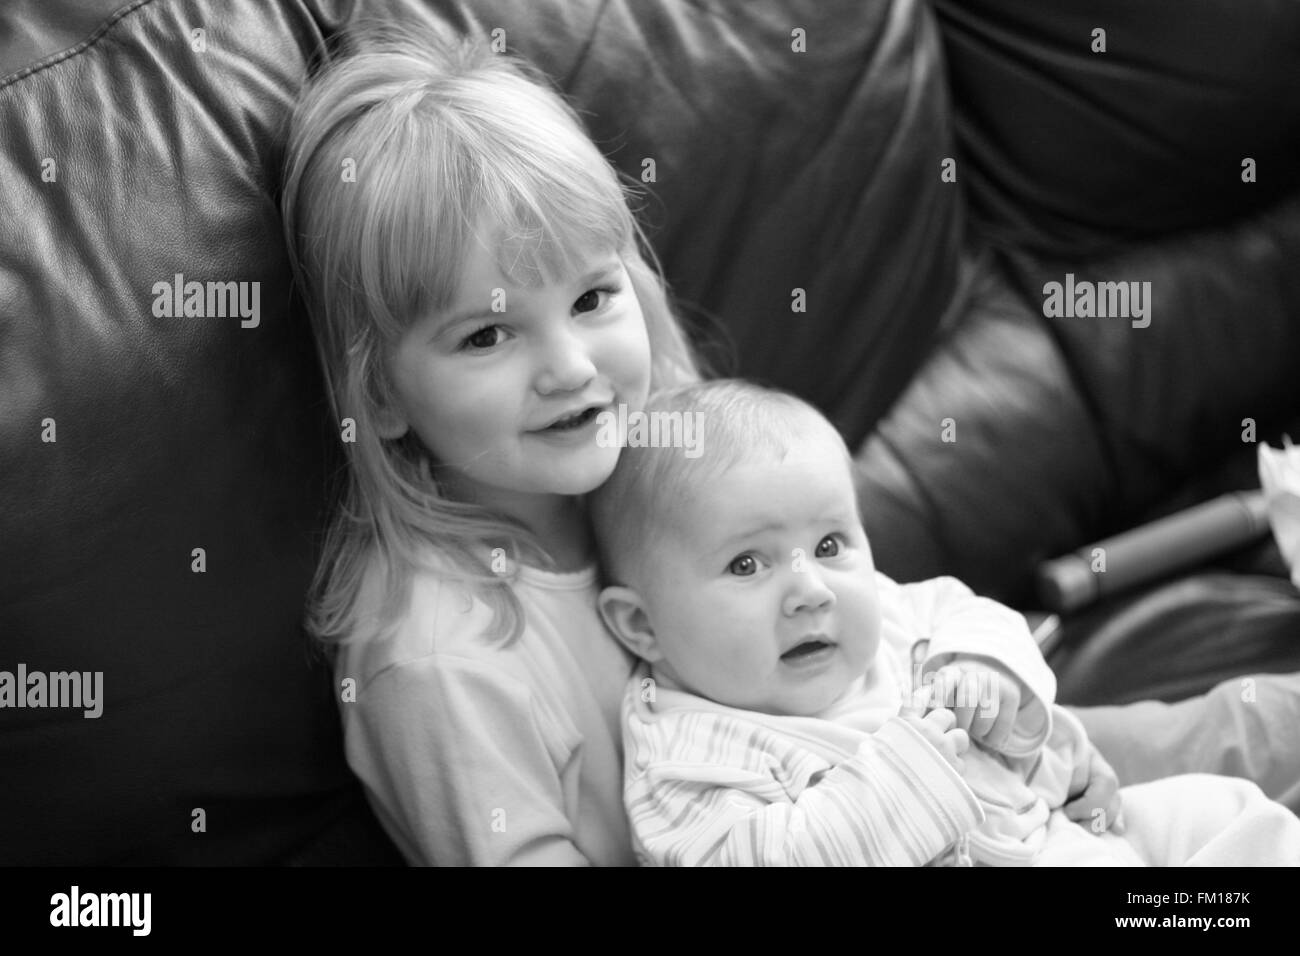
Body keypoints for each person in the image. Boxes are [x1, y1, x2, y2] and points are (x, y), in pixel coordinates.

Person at [279, 24, 701, 865]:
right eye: (487, 336)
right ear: (382, 395)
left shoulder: (678, 475)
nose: (571, 368)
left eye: (592, 299)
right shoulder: (438, 660)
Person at [590, 379, 1300, 865]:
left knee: (1225, 812)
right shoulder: (686, 753)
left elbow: (969, 612)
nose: (810, 589)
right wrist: (913, 767)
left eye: (832, 545)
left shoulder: (888, 614)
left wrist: (991, 677)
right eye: (747, 565)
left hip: (1052, 833)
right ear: (641, 627)